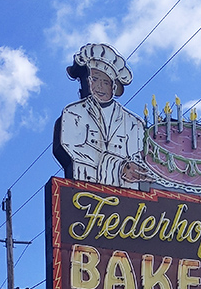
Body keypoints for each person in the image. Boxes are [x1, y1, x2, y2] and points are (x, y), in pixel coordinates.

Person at [53, 43, 150, 189]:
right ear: (89, 81)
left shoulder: (133, 123)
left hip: (129, 201)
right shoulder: (73, 112)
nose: (100, 87)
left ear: (114, 87)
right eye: (96, 80)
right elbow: (72, 149)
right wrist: (119, 166)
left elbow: (139, 161)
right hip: (83, 194)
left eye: (105, 82)